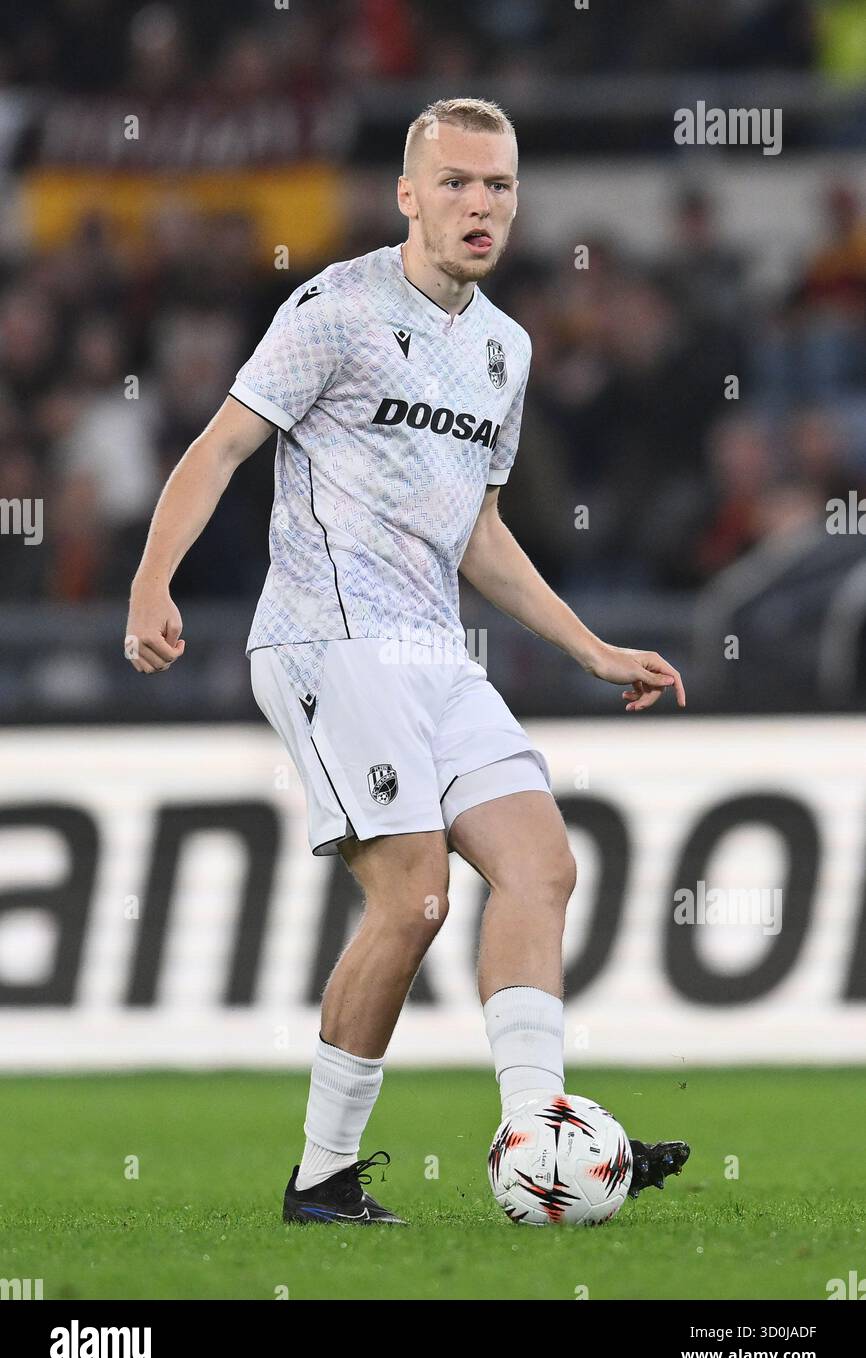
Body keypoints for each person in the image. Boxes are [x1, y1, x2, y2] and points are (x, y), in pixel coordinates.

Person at [126, 97, 689, 1226]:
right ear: (406, 194)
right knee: (416, 897)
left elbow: (476, 532)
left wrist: (584, 648)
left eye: (498, 186)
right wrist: (152, 579)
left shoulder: (502, 348)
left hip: (435, 647)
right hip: (326, 638)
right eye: (455, 183)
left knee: (540, 866)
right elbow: (222, 441)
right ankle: (321, 1177)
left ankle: (541, 1134)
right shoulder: (333, 308)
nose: (479, 205)